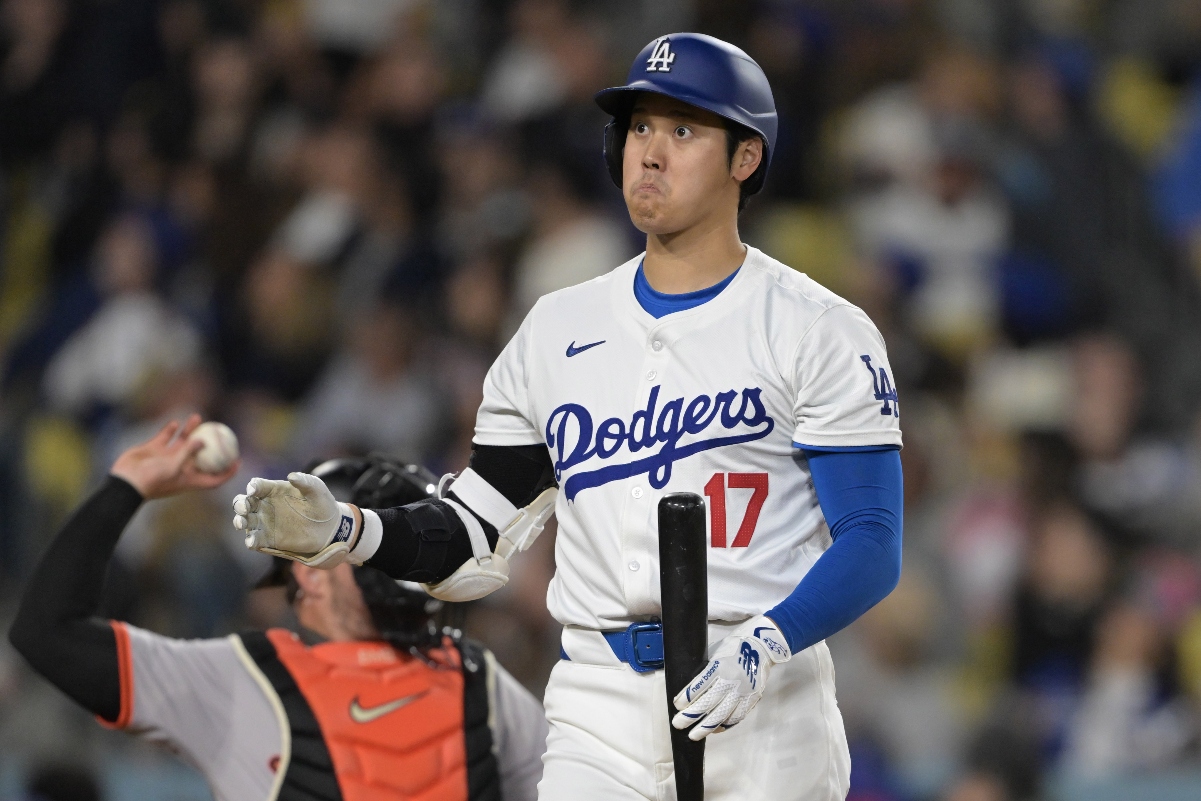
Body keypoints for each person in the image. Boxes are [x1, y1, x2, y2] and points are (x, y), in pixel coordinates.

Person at [233, 33, 903, 800]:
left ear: (744, 157)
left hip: (763, 701)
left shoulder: (815, 326)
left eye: (683, 130)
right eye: (639, 127)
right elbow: (475, 532)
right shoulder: (556, 328)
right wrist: (349, 530)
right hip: (599, 703)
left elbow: (871, 540)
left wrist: (768, 640)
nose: (650, 153)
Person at [10, 416, 547, 801]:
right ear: (309, 572)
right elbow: (46, 632)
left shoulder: (480, 680)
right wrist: (125, 489)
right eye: (369, 542)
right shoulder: (237, 679)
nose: (403, 559)